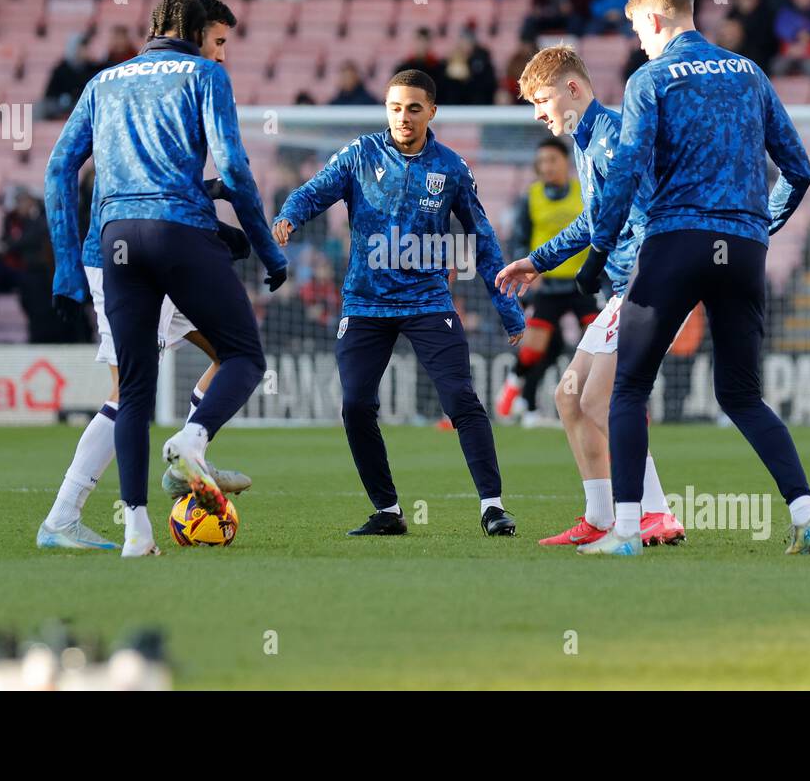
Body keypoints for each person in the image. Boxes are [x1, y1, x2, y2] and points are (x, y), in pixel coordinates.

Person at [575, 0, 810, 556]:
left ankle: (629, 531)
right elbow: (800, 169)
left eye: (638, 27)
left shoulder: (651, 78)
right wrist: (760, 225)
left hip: (677, 241)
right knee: (742, 395)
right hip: (743, 251)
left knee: (630, 387)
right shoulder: (750, 73)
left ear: (657, 20)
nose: (637, 40)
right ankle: (807, 514)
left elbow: (631, 165)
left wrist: (600, 251)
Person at [44, 0, 288, 557]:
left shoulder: (103, 82)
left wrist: (64, 269)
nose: (223, 54)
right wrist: (264, 248)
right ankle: (187, 444)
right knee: (244, 354)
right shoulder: (204, 77)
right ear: (198, 32)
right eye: (220, 41)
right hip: (177, 238)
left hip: (115, 245)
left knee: (133, 391)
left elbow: (59, 169)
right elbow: (232, 166)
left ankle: (137, 530)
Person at [273, 69, 526, 537]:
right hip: (365, 304)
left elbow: (484, 239)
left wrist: (508, 308)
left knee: (461, 399)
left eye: (413, 108)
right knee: (354, 405)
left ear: (431, 111)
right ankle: (387, 510)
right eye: (395, 107)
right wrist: (289, 215)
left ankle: (493, 506)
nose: (404, 117)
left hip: (428, 301)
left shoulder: (450, 168)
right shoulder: (359, 154)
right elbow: (314, 190)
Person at [495, 45, 685, 546]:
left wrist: (644, 278)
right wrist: (537, 261)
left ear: (573, 90)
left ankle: (657, 513)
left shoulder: (614, 138)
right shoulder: (587, 139)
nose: (538, 114)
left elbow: (650, 217)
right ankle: (601, 515)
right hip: (626, 288)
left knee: (601, 398)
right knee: (570, 396)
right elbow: (597, 219)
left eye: (541, 101)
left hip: (649, 283)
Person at [497, 137, 597, 427]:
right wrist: (528, 272)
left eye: (552, 160)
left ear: (566, 162)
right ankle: (516, 386)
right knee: (534, 349)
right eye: (541, 162)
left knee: (599, 343)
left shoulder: (584, 192)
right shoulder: (531, 197)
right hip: (546, 285)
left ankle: (601, 402)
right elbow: (519, 239)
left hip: (581, 284)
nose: (546, 167)